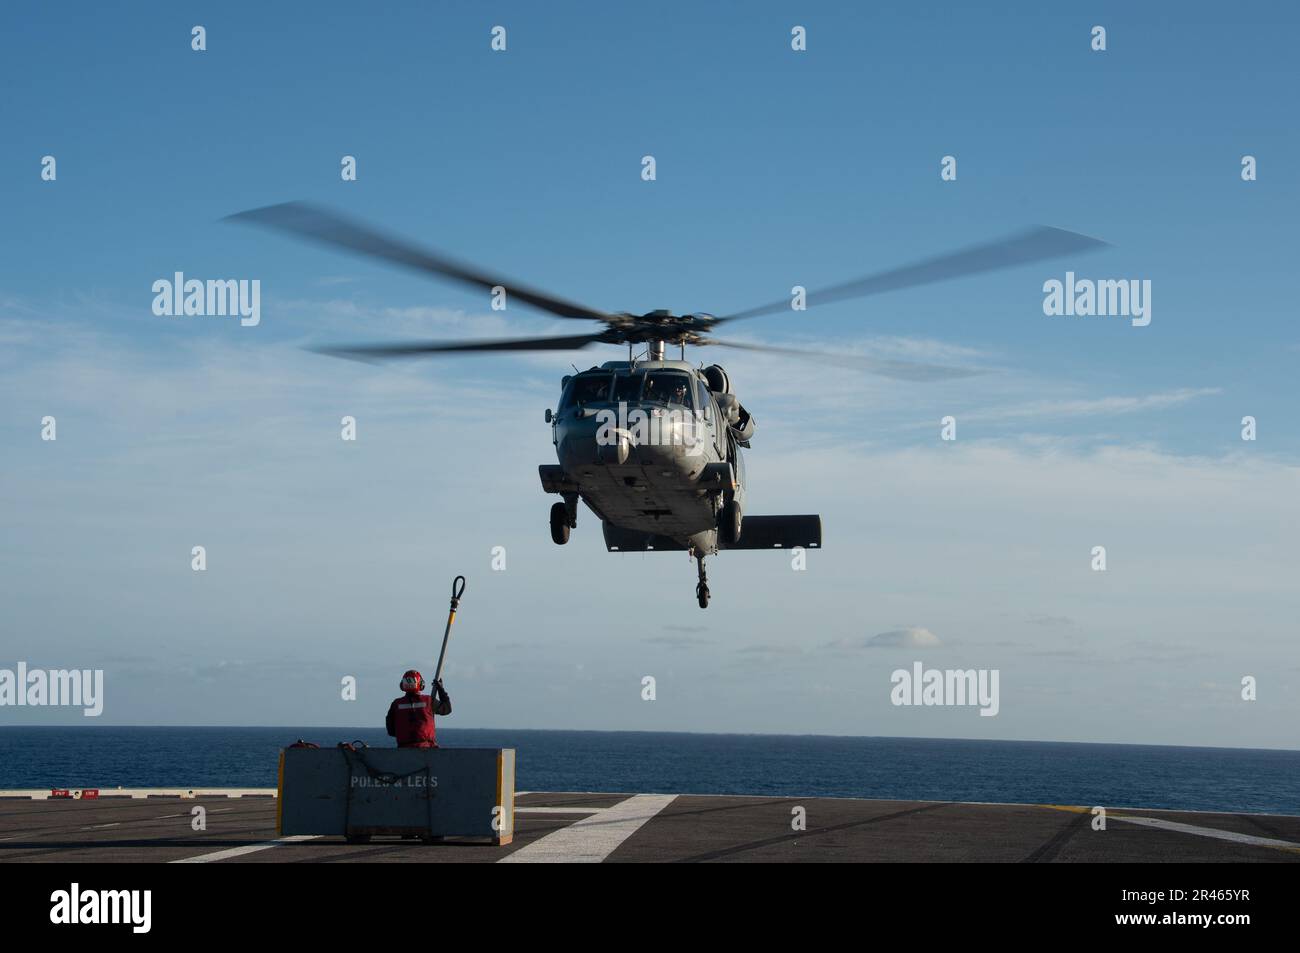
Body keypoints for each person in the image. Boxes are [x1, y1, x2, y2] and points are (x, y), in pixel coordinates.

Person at [385, 670, 451, 748]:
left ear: (402, 685)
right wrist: (441, 689)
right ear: (420, 684)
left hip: (403, 750)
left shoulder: (396, 704)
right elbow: (447, 709)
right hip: (427, 749)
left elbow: (391, 731)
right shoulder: (429, 701)